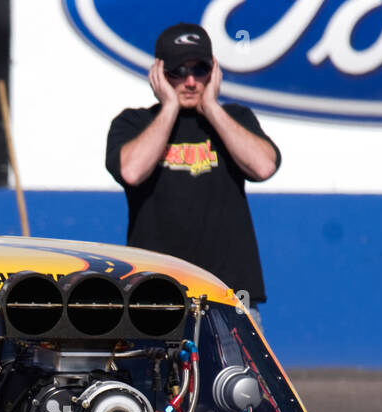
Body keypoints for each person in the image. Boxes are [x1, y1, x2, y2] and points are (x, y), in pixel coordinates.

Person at [105, 23, 280, 324]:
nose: (190, 81)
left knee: (238, 374)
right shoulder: (133, 123)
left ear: (213, 72)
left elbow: (263, 167)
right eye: (178, 71)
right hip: (155, 291)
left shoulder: (235, 119)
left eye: (199, 70)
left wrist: (211, 107)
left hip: (228, 293)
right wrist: (170, 107)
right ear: (159, 73)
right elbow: (132, 171)